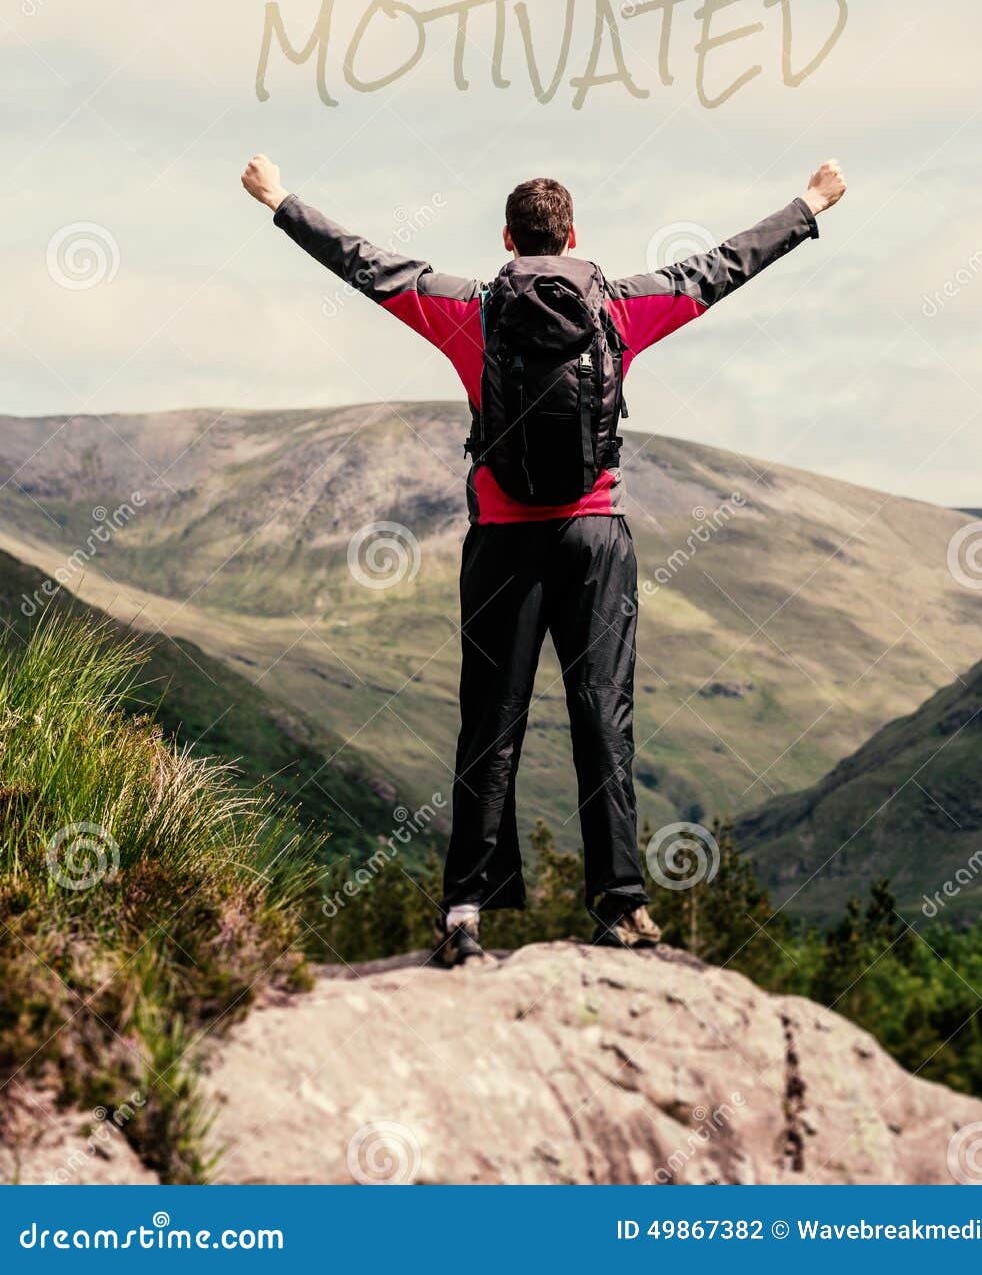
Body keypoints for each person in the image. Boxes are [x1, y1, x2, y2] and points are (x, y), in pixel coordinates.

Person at [242, 154, 847, 965]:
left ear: (507, 238)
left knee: (491, 726)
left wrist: (279, 199)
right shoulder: (620, 309)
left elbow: (363, 262)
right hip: (594, 538)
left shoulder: (466, 310)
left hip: (502, 542)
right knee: (602, 720)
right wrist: (808, 205)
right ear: (572, 235)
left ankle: (464, 914)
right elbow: (720, 267)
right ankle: (621, 907)